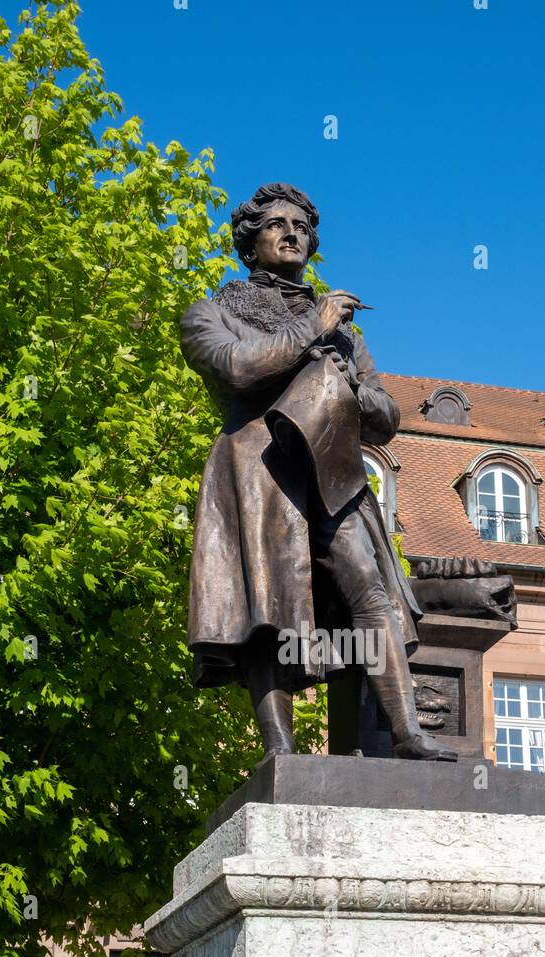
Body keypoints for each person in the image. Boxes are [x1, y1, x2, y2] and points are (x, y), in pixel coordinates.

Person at [179, 182, 456, 763]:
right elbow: (234, 368)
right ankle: (278, 749)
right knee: (267, 610)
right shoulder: (211, 312)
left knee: (369, 589)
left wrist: (350, 381)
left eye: (303, 227)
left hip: (333, 474)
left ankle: (407, 733)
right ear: (249, 244)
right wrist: (315, 327)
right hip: (258, 472)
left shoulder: (347, 338)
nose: (293, 234)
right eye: (278, 224)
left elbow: (386, 417)